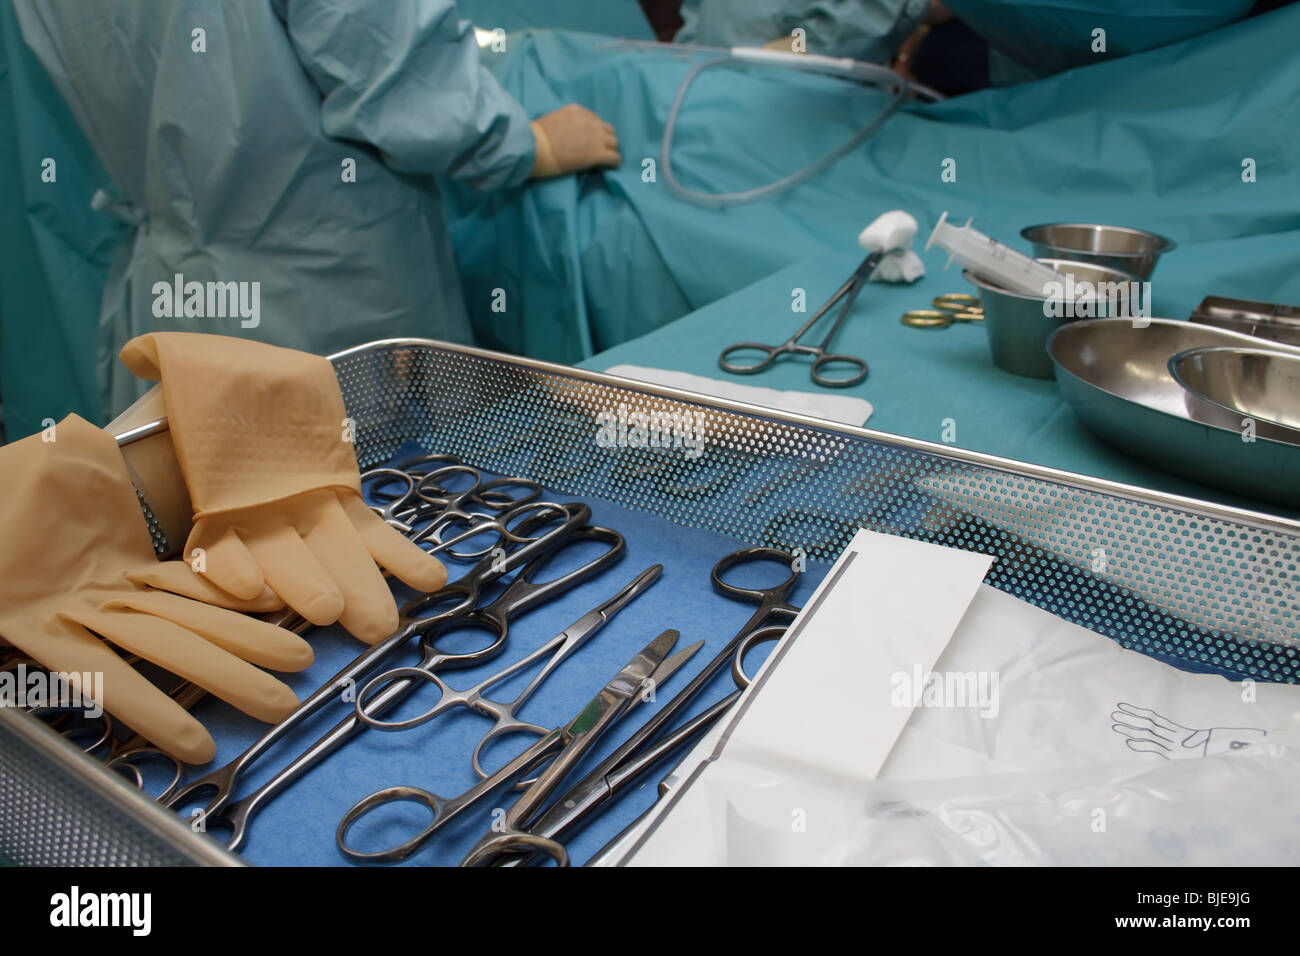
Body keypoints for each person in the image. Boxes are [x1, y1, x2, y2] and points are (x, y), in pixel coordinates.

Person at [13, 0, 620, 421]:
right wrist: (523, 146)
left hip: (175, 305)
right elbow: (396, 72)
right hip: (327, 308)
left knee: (224, 563)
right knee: (393, 541)